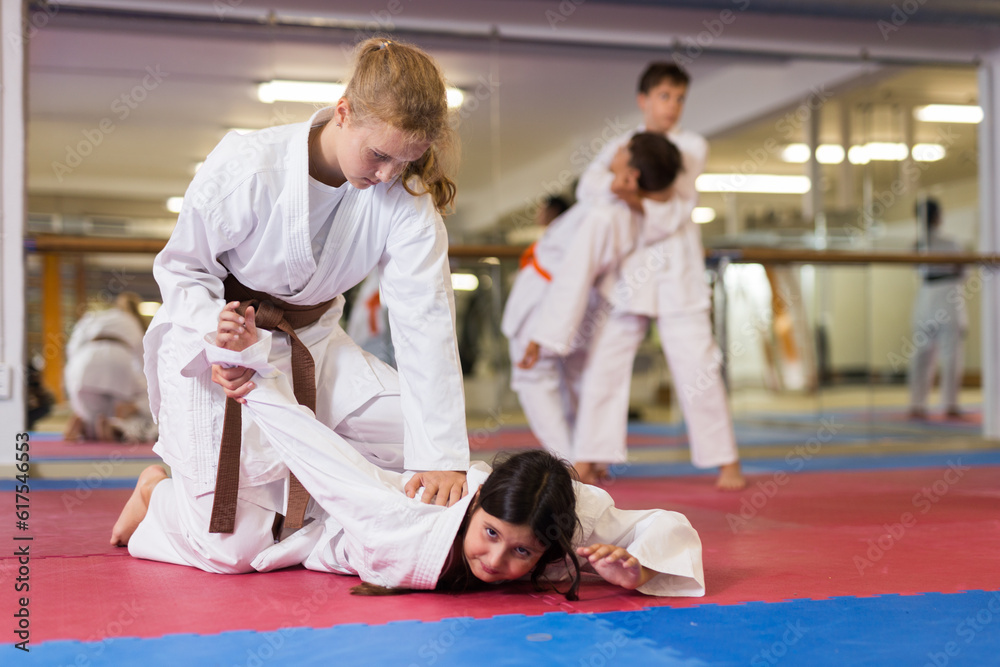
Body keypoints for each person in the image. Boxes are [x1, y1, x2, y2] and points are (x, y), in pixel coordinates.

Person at [121, 38, 470, 571]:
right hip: (222, 347)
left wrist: (441, 458)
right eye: (378, 155)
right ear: (344, 111)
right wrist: (215, 334)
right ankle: (158, 495)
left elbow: (426, 322)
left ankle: (317, 508)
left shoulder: (406, 199)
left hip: (314, 343)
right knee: (232, 552)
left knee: (429, 450)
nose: (387, 176)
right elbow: (181, 269)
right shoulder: (248, 165)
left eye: (406, 160)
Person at [112, 304, 705, 599]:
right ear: (476, 508)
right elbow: (330, 467)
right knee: (228, 552)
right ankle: (156, 489)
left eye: (523, 551)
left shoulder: (571, 516)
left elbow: (662, 524)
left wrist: (641, 567)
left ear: (551, 540)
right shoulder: (409, 515)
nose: (498, 560)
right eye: (493, 534)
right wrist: (255, 387)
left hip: (377, 465)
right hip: (342, 511)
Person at [574, 62, 745, 490]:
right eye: (664, 96)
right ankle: (591, 458)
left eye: (680, 98)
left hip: (679, 271)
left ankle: (726, 461)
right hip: (630, 273)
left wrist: (627, 192)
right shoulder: (619, 143)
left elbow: (674, 207)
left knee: (699, 365)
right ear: (644, 100)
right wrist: (631, 192)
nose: (672, 106)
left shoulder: (692, 145)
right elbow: (587, 190)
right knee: (605, 365)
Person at [503, 133, 684, 483]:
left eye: (624, 150)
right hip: (576, 301)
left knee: (533, 376)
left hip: (549, 297)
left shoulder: (605, 214)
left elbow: (575, 274)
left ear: (632, 175)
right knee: (575, 383)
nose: (614, 151)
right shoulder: (625, 210)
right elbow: (595, 183)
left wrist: (544, 335)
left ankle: (572, 468)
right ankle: (587, 460)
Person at [908, 198, 968, 420]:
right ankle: (949, 404)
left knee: (922, 354)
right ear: (937, 217)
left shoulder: (918, 245)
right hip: (947, 297)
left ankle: (917, 404)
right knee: (949, 354)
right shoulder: (949, 243)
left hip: (927, 296)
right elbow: (964, 272)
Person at [63, 292, 150, 442]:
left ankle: (85, 423)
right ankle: (112, 425)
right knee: (120, 410)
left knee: (88, 410)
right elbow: (144, 361)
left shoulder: (94, 316)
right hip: (119, 358)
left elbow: (73, 346)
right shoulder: (133, 322)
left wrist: (71, 371)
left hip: (84, 359)